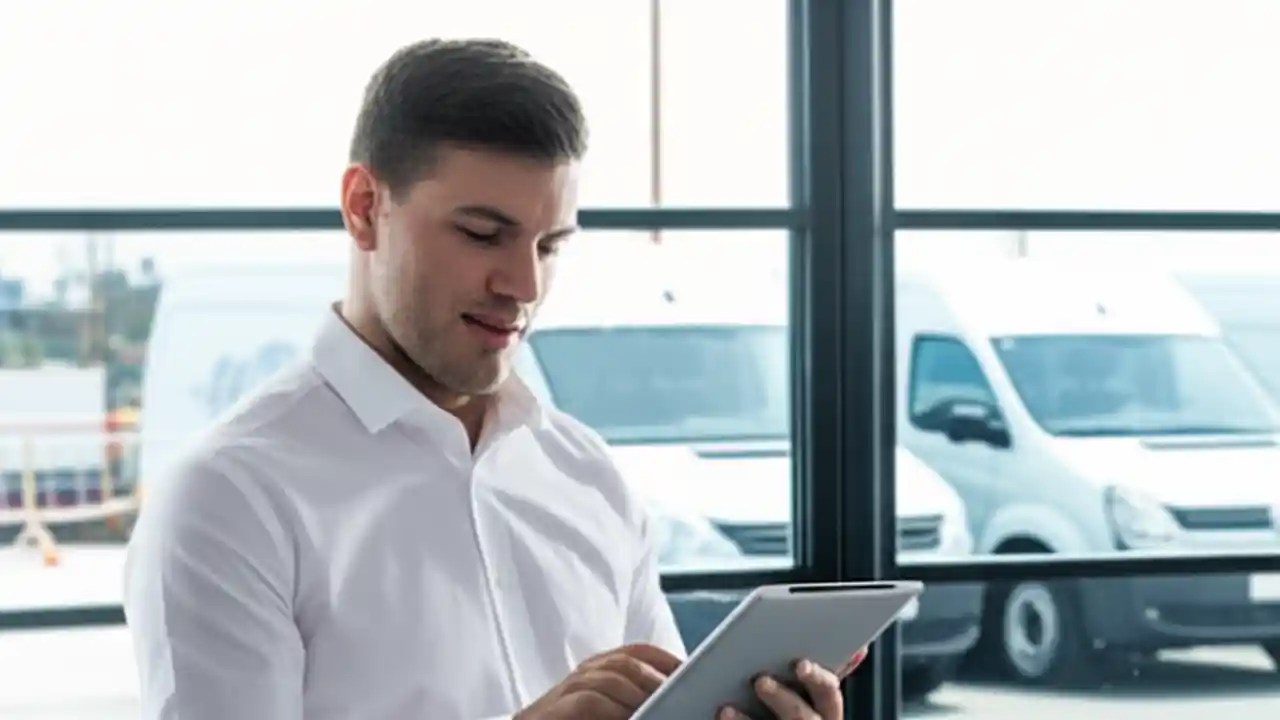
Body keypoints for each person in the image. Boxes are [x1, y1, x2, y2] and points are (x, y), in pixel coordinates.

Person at [122, 38, 861, 719]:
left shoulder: (589, 477)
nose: (525, 284)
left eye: (551, 244)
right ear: (363, 208)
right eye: (483, 234)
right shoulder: (228, 499)